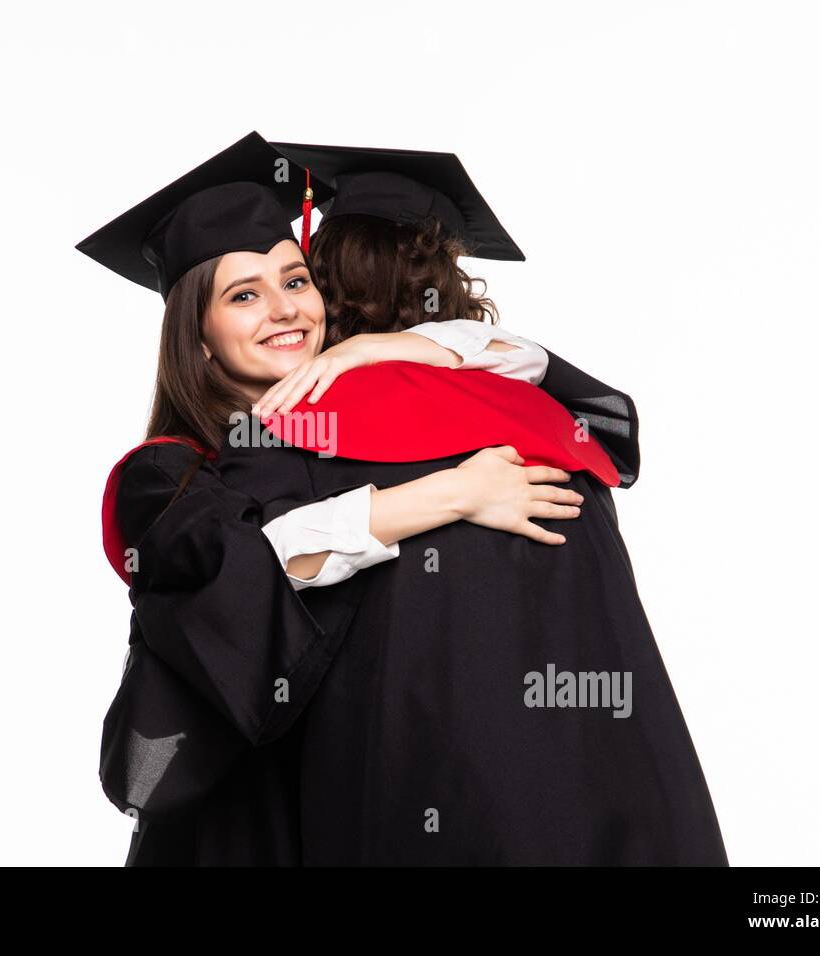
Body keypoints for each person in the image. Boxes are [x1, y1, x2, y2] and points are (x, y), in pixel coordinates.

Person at [78, 132, 601, 864]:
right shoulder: (165, 476)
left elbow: (533, 366)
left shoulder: (346, 430)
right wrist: (451, 494)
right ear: (197, 338)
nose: (285, 311)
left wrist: (383, 346)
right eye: (243, 295)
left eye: (296, 281)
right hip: (229, 829)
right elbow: (255, 568)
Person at [206, 142, 728, 864]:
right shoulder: (557, 421)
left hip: (407, 800)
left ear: (322, 284)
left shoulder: (295, 423)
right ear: (451, 284)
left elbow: (251, 576)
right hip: (607, 794)